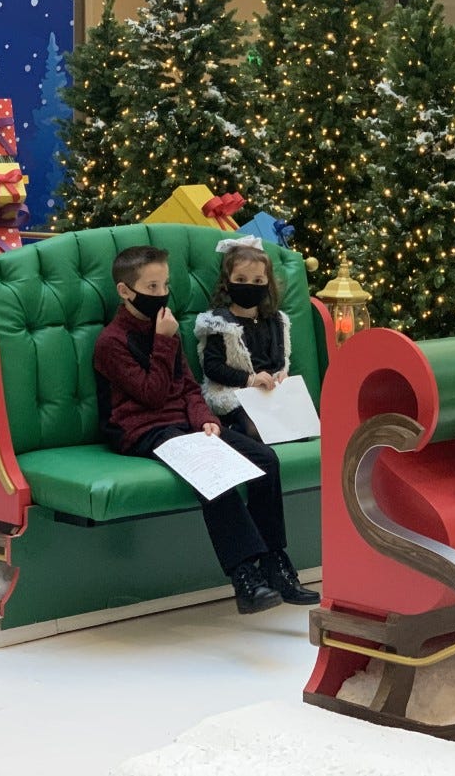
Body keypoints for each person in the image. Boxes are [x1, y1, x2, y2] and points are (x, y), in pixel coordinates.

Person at [93, 244, 317, 614]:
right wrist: (164, 342)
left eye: (165, 284)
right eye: (152, 287)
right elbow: (150, 395)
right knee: (214, 472)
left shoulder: (165, 330)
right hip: (143, 429)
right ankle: (244, 577)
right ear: (125, 291)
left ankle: (276, 564)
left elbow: (186, 388)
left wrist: (206, 420)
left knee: (265, 458)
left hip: (184, 424)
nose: (162, 294)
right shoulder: (111, 342)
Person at [194, 236, 292, 443]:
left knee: (299, 428)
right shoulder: (218, 322)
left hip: (270, 393)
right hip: (234, 394)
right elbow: (212, 367)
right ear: (227, 282)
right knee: (255, 430)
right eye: (240, 280)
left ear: (268, 283)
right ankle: (228, 432)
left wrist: (281, 375)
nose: (249, 286)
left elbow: (281, 359)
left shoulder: (276, 320)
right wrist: (250, 380)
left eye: (257, 281)